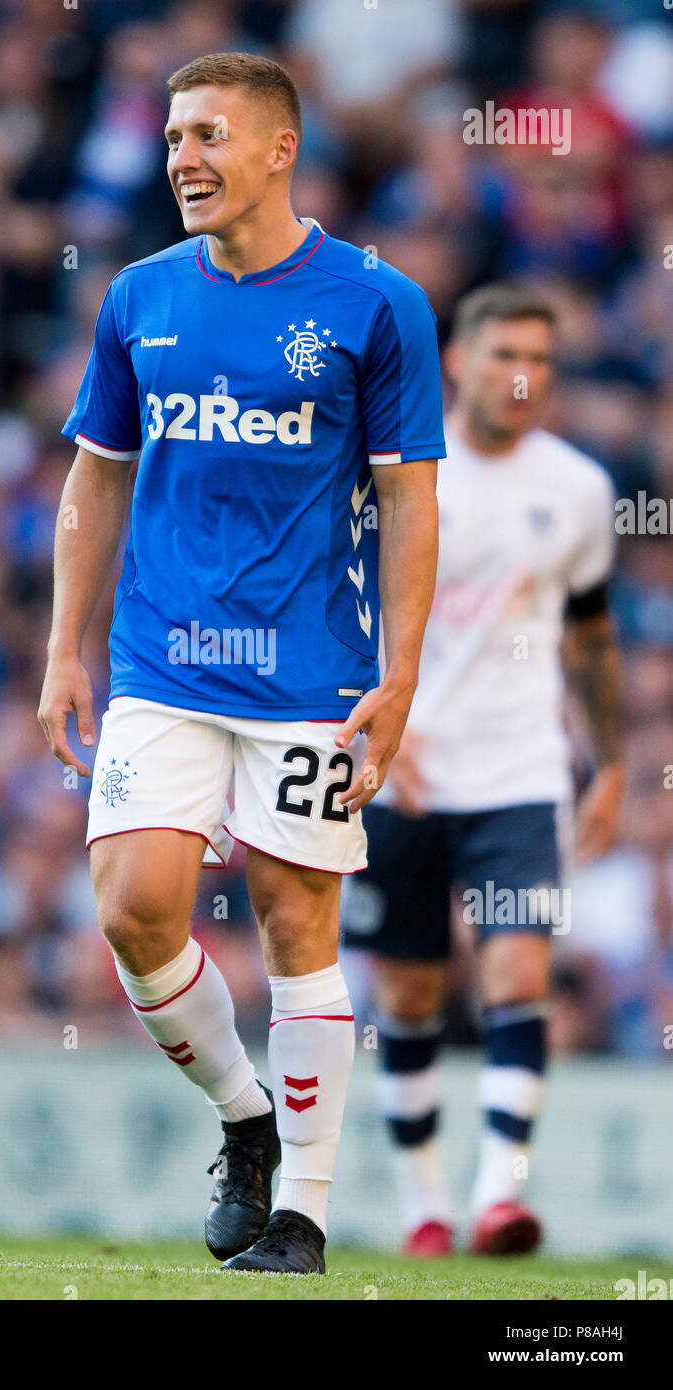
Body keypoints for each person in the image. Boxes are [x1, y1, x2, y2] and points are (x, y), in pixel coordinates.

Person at [39, 52, 443, 1274]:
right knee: (133, 902)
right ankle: (242, 1115)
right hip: (159, 659)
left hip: (310, 671)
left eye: (208, 134)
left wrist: (403, 669)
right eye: (171, 137)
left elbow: (410, 500)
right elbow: (97, 473)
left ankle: (305, 1218)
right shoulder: (139, 297)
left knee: (293, 920)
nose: (182, 159)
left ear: (279, 150)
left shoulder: (377, 304)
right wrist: (65, 644)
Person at [340, 283, 623, 1257]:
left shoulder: (577, 489)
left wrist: (613, 760)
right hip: (398, 772)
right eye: (507, 354)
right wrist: (377, 718)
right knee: (409, 997)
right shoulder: (398, 471)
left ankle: (498, 1196)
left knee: (516, 967)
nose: (525, 378)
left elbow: (589, 636)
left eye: (542, 361)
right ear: (455, 362)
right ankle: (425, 1207)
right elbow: (339, 604)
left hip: (518, 772)